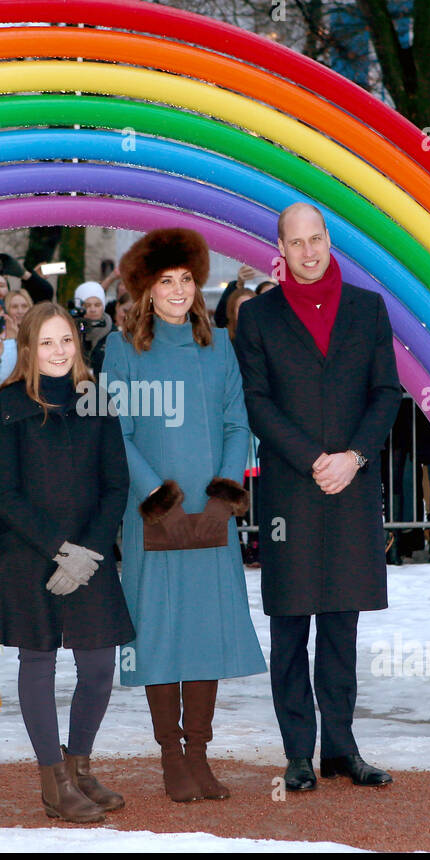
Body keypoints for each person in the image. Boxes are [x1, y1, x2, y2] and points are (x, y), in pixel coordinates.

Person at [233, 202, 403, 792]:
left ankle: (341, 747)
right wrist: (313, 460)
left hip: (351, 488)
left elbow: (386, 393)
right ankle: (298, 752)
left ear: (329, 239)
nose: (309, 251)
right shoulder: (257, 317)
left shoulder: (368, 309)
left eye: (317, 238)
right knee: (290, 622)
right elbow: (258, 402)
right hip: (290, 490)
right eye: (296, 242)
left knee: (341, 623)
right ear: (280, 249)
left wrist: (353, 457)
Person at [101, 227, 266, 803]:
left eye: (186, 279)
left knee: (204, 633)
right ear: (146, 288)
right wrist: (157, 498)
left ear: (198, 285)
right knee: (158, 633)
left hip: (210, 517)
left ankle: (199, 752)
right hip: (152, 517)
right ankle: (170, 755)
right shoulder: (121, 348)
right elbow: (116, 431)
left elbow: (235, 422)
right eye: (166, 280)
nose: (177, 290)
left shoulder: (220, 344)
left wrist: (222, 498)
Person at [0, 303, 134, 822]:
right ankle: (53, 783)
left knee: (98, 667)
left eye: (66, 340)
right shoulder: (7, 405)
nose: (58, 351)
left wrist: (87, 553)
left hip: (89, 557)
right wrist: (58, 550)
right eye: (46, 342)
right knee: (39, 661)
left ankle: (79, 768)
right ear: (28, 349)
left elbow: (116, 483)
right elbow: (6, 493)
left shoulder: (98, 400)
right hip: (32, 556)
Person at [72, 280, 113, 372]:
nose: (93, 309)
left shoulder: (113, 333)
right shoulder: (71, 331)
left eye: (97, 305)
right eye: (87, 305)